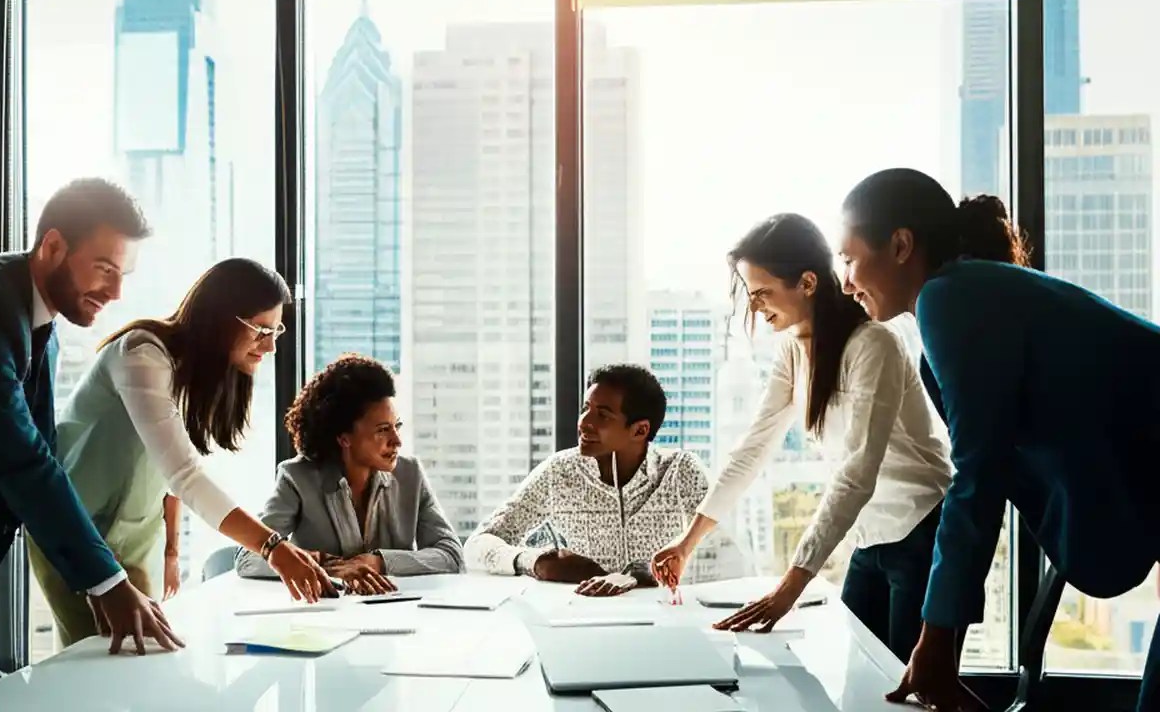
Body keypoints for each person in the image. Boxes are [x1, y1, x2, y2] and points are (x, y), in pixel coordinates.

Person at [837, 167, 1160, 712]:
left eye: (847, 258)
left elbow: (978, 479)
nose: (844, 281)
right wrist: (940, 641)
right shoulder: (963, 302)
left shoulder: (948, 299)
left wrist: (937, 641)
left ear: (900, 245)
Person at [0, 179, 184, 711]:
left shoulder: (34, 316)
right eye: (105, 269)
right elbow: (22, 458)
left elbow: (43, 453)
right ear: (52, 246)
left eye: (124, 276)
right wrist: (107, 582)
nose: (115, 294)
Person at [650, 214, 955, 662]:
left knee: (907, 689)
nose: (756, 308)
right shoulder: (793, 350)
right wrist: (686, 543)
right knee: (866, 680)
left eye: (762, 294)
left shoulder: (875, 345)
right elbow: (752, 449)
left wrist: (790, 587)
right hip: (869, 537)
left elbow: (857, 473)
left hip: (921, 532)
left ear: (807, 282)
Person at [28, 258, 334, 648]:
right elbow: (184, 474)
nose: (271, 345)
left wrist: (172, 550)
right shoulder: (140, 355)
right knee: (95, 660)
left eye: (276, 330)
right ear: (222, 317)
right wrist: (273, 547)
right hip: (75, 530)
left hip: (140, 535)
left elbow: (169, 471)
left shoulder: (195, 375)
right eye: (260, 329)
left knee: (142, 655)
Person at [465, 364, 710, 597]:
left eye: (603, 415)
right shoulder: (559, 471)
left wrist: (641, 574)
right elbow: (477, 545)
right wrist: (536, 562)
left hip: (666, 621)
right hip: (577, 620)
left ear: (640, 430)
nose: (584, 423)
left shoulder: (681, 471)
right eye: (586, 409)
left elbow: (722, 552)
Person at [236, 354, 464, 592]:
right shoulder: (297, 477)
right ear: (344, 438)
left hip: (396, 610)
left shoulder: (411, 475)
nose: (396, 441)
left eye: (397, 426)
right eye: (383, 430)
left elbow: (451, 553)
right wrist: (321, 563)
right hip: (320, 614)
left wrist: (378, 561)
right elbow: (247, 558)